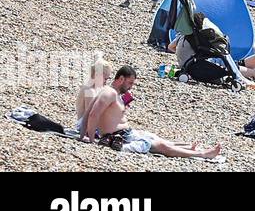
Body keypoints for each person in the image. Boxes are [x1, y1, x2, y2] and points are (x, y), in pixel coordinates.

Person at [80, 66, 223, 159]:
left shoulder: (113, 93)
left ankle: (188, 147)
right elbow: (93, 114)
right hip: (120, 137)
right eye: (129, 83)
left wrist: (82, 135)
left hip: (126, 133)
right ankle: (203, 154)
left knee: (156, 139)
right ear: (121, 79)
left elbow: (88, 113)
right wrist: (91, 140)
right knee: (162, 147)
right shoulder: (108, 93)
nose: (130, 87)